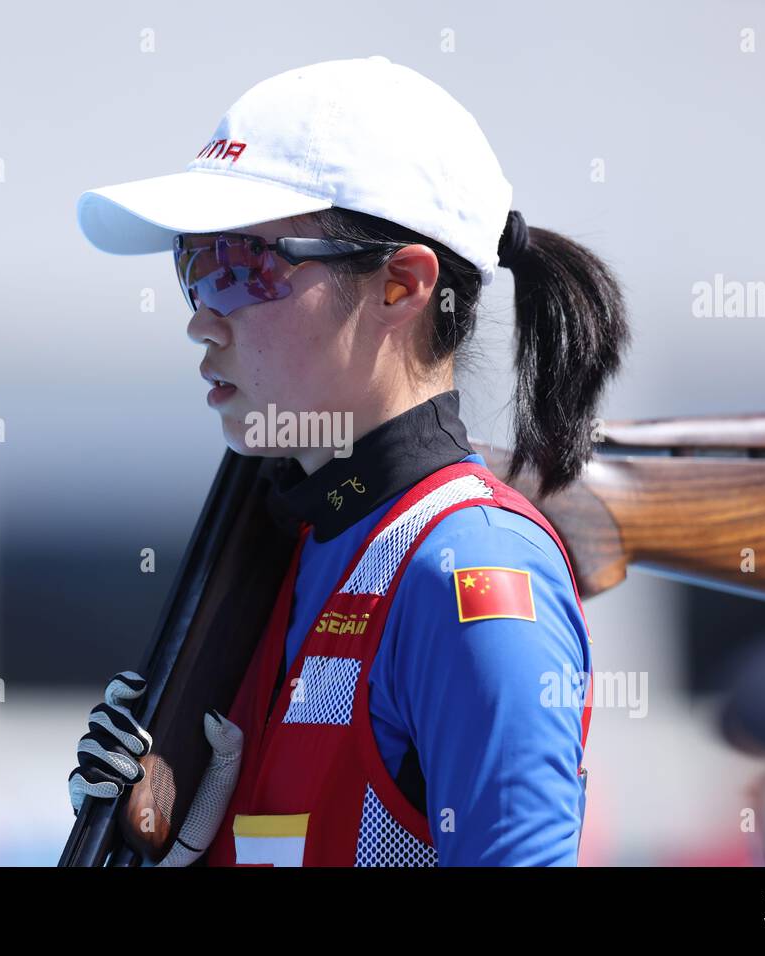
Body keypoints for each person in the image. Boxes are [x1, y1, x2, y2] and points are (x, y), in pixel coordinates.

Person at [67, 55, 629, 866]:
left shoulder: (471, 567)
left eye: (244, 268)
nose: (202, 319)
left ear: (402, 286)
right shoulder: (284, 542)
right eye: (194, 268)